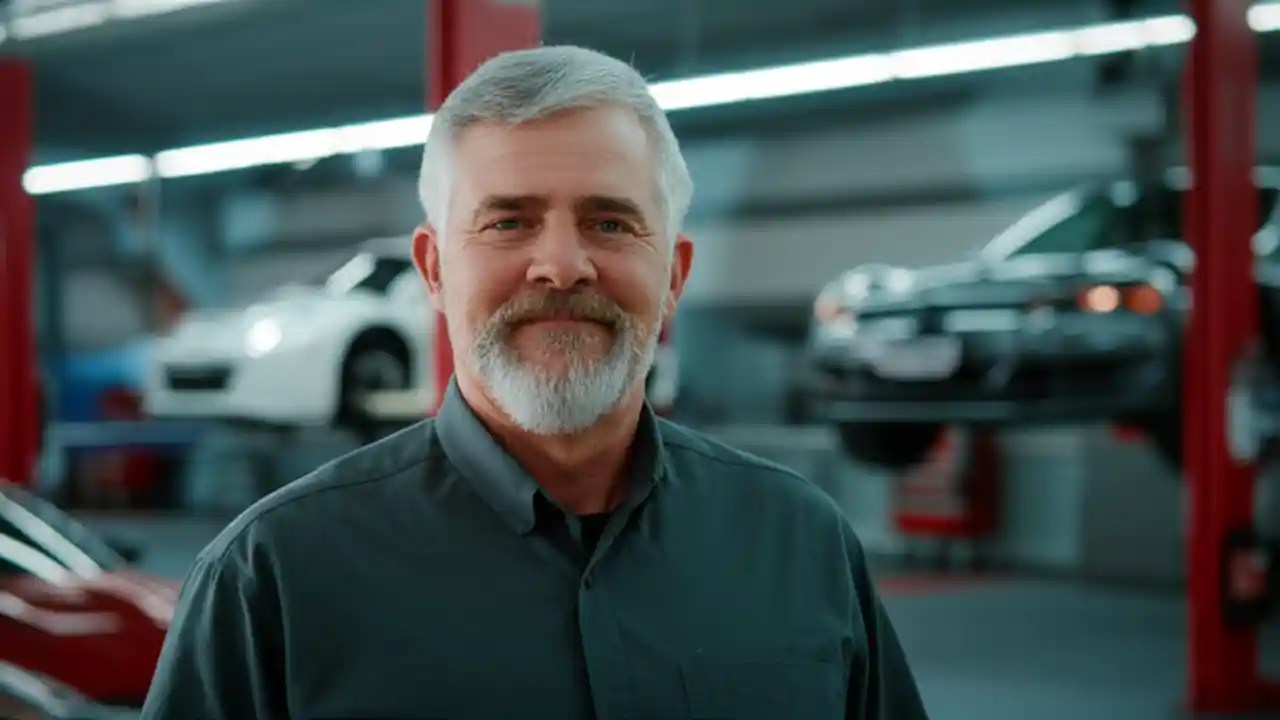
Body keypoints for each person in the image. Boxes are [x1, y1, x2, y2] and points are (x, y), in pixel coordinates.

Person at [141, 45, 928, 720]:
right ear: (434, 268)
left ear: (675, 275)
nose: (561, 265)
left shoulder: (803, 544)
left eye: (610, 223)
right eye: (508, 221)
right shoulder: (270, 580)